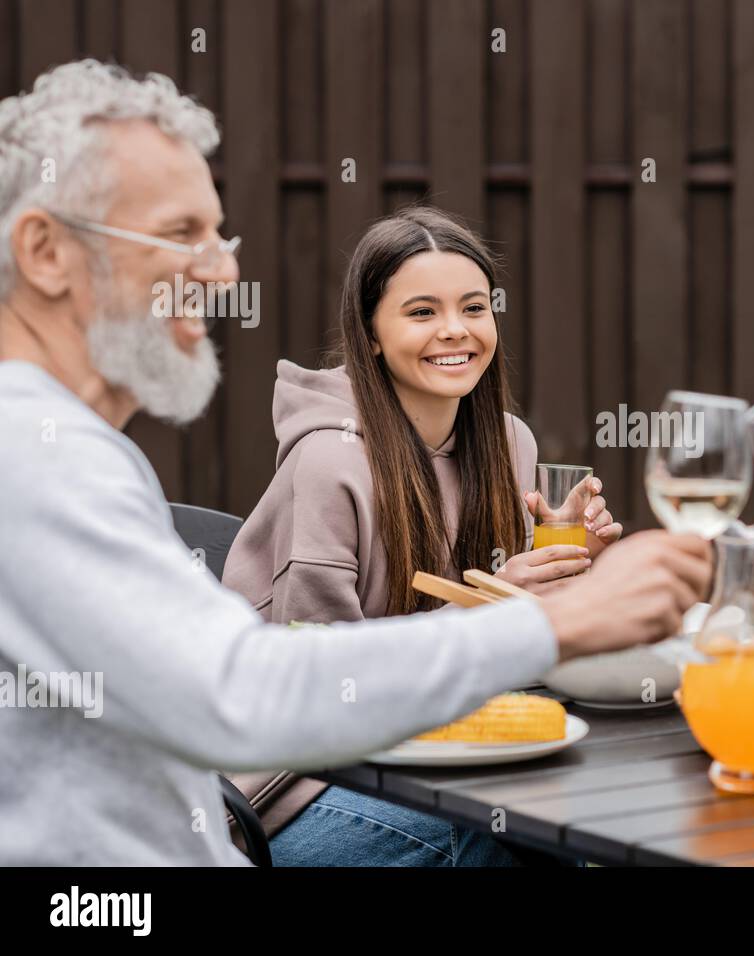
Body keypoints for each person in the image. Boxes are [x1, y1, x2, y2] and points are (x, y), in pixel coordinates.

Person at [0, 59, 711, 865]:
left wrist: (564, 586)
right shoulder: (31, 456)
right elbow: (244, 691)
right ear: (46, 253)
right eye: (180, 234)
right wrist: (548, 620)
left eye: (220, 235)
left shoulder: (77, 452)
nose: (226, 271)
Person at [221, 206, 623, 865]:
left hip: (445, 762)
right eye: (421, 312)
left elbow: (508, 666)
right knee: (518, 831)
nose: (454, 331)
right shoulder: (329, 463)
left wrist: (575, 574)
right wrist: (486, 610)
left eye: (473, 307)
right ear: (371, 333)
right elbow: (316, 686)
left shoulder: (508, 443)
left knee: (573, 807)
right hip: (291, 792)